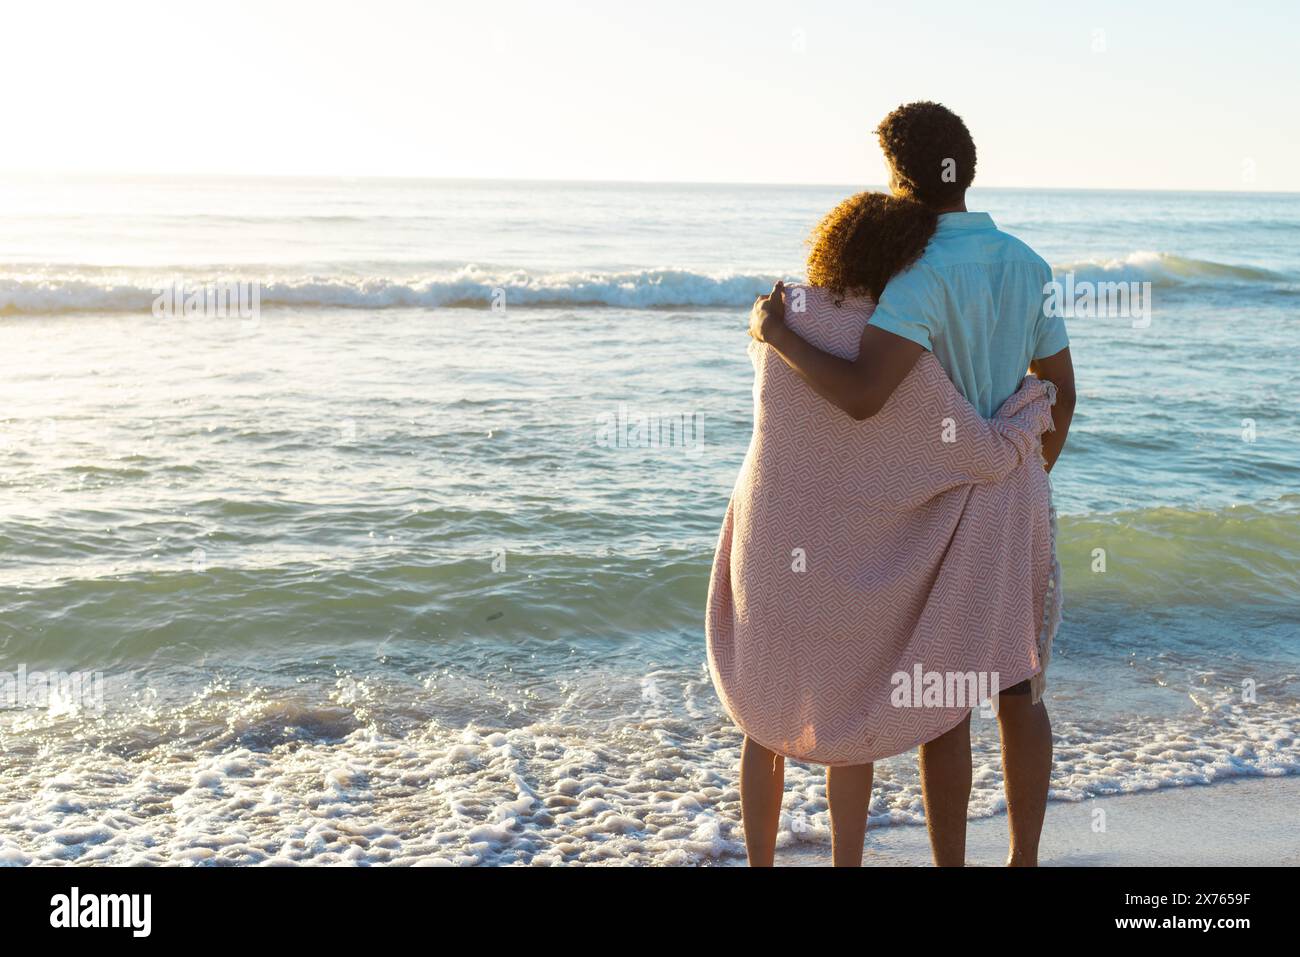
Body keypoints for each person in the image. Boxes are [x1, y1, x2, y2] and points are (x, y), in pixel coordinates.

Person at [748, 101, 1076, 866]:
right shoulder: (1028, 264)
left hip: (944, 506)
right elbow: (1060, 390)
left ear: (899, 180)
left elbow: (865, 393)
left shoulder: (913, 274)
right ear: (966, 167)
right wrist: (1023, 480)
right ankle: (1023, 860)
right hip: (1017, 492)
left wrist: (778, 334)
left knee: (947, 703)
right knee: (1021, 687)